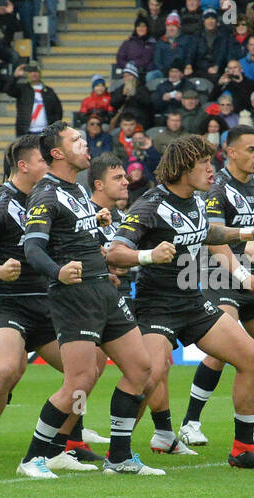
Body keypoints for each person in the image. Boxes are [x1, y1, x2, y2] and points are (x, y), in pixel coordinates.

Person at [109, 134, 254, 469]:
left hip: (192, 301)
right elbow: (115, 251)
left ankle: (243, 449)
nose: (211, 169)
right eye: (204, 163)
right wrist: (149, 255)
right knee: (148, 374)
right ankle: (117, 456)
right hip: (156, 305)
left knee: (251, 358)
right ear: (184, 168)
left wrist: (246, 234)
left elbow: (207, 234)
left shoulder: (197, 203)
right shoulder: (150, 204)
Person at [20, 121, 160, 477]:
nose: (85, 146)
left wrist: (96, 224)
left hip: (105, 290)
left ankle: (119, 457)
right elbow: (32, 247)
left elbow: (79, 235)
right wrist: (58, 272)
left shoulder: (79, 192)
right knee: (79, 380)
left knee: (141, 369)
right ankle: (33, 458)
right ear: (57, 153)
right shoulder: (45, 193)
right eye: (76, 141)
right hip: (75, 295)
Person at [0, 137, 105, 475]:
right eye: (43, 162)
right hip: (9, 304)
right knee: (8, 369)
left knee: (89, 369)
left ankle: (58, 446)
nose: (49, 168)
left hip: (50, 303)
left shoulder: (54, 197)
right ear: (24, 166)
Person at [174, 126, 254, 454]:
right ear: (231, 152)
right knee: (222, 349)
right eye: (251, 150)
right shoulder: (215, 188)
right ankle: (190, 422)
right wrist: (241, 275)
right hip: (217, 278)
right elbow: (214, 243)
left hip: (251, 280)